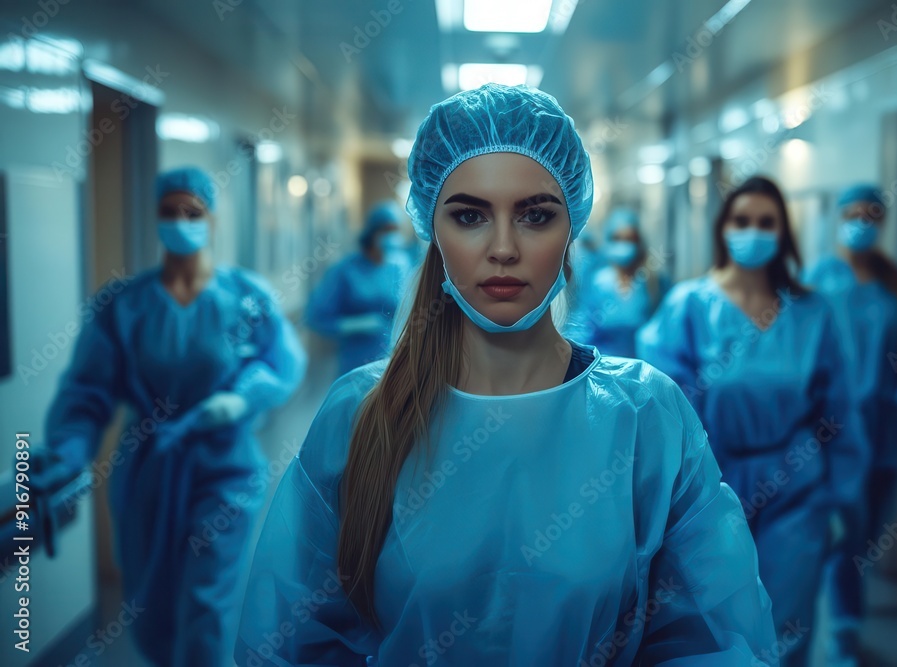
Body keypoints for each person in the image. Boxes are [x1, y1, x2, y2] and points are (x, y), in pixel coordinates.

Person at [236, 84, 776, 666]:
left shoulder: (645, 416)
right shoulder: (361, 413)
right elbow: (294, 639)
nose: (502, 248)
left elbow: (711, 637)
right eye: (469, 215)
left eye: (535, 216)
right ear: (433, 232)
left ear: (572, 228)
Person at [42, 166, 306, 667]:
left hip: (225, 467)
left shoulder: (244, 296)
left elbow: (283, 362)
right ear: (155, 217)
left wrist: (242, 399)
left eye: (193, 212)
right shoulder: (125, 304)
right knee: (151, 608)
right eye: (170, 211)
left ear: (212, 219)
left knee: (207, 603)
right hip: (149, 470)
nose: (182, 221)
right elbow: (87, 392)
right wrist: (65, 453)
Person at [636, 175, 868, 667]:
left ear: (783, 232)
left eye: (766, 222)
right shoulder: (688, 307)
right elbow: (665, 415)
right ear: (723, 227)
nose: (753, 232)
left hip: (796, 491)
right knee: (716, 626)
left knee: (786, 625)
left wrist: (843, 500)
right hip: (709, 489)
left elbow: (839, 413)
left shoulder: (811, 313)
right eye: (742, 220)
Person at [804, 184, 897, 665]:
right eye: (853, 214)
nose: (861, 223)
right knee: (843, 532)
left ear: (882, 222)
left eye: (871, 215)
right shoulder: (817, 280)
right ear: (838, 217)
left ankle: (847, 620)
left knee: (865, 538)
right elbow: (801, 356)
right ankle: (841, 631)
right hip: (834, 435)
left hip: (887, 433)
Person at [306, 200, 412, 376]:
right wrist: (354, 325)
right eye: (387, 230)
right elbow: (315, 317)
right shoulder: (345, 270)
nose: (392, 237)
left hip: (394, 361)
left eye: (395, 231)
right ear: (373, 232)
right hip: (356, 362)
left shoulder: (399, 266)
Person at [564, 207, 668, 357]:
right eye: (617, 238)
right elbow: (583, 327)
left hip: (645, 364)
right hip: (605, 364)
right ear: (609, 241)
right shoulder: (598, 283)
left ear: (639, 242)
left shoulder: (653, 282)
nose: (623, 245)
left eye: (629, 239)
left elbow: (666, 332)